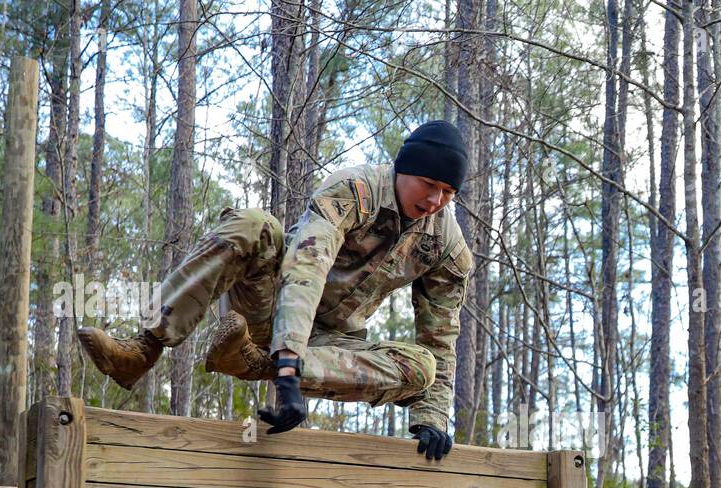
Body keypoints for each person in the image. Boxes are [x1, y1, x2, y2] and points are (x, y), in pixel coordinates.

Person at [76, 120, 473, 460]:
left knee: (423, 366)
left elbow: (440, 336)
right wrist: (287, 366)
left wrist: (432, 418)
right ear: (403, 170)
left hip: (330, 346)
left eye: (448, 192)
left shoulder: (445, 246)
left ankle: (252, 361)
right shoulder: (355, 191)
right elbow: (306, 270)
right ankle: (144, 348)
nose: (436, 200)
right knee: (254, 224)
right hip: (271, 305)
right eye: (428, 184)